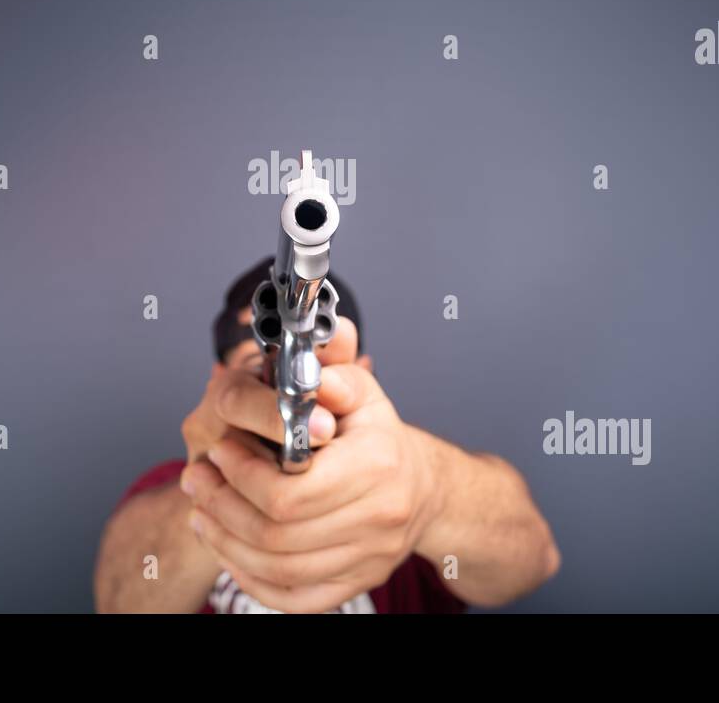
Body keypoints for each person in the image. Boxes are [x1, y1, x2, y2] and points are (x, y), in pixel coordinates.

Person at [94, 258, 560, 613]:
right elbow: (118, 598)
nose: (290, 390)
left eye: (323, 366)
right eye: (257, 368)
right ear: (219, 380)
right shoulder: (175, 483)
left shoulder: (395, 483)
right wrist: (212, 494)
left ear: (363, 373)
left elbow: (533, 556)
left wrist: (429, 491)